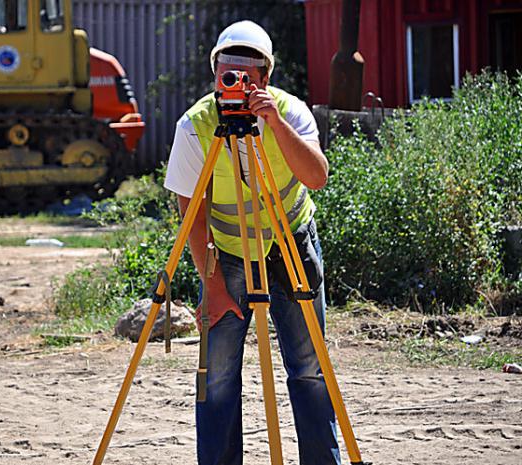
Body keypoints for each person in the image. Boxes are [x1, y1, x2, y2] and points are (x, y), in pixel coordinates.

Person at [164, 20, 340, 465]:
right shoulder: (195, 127)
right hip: (225, 255)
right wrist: (214, 286)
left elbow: (317, 178)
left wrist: (273, 121)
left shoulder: (290, 112)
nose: (236, 84)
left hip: (290, 245)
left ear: (265, 78)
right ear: (214, 74)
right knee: (218, 375)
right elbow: (191, 214)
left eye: (246, 76)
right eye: (228, 74)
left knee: (309, 368)